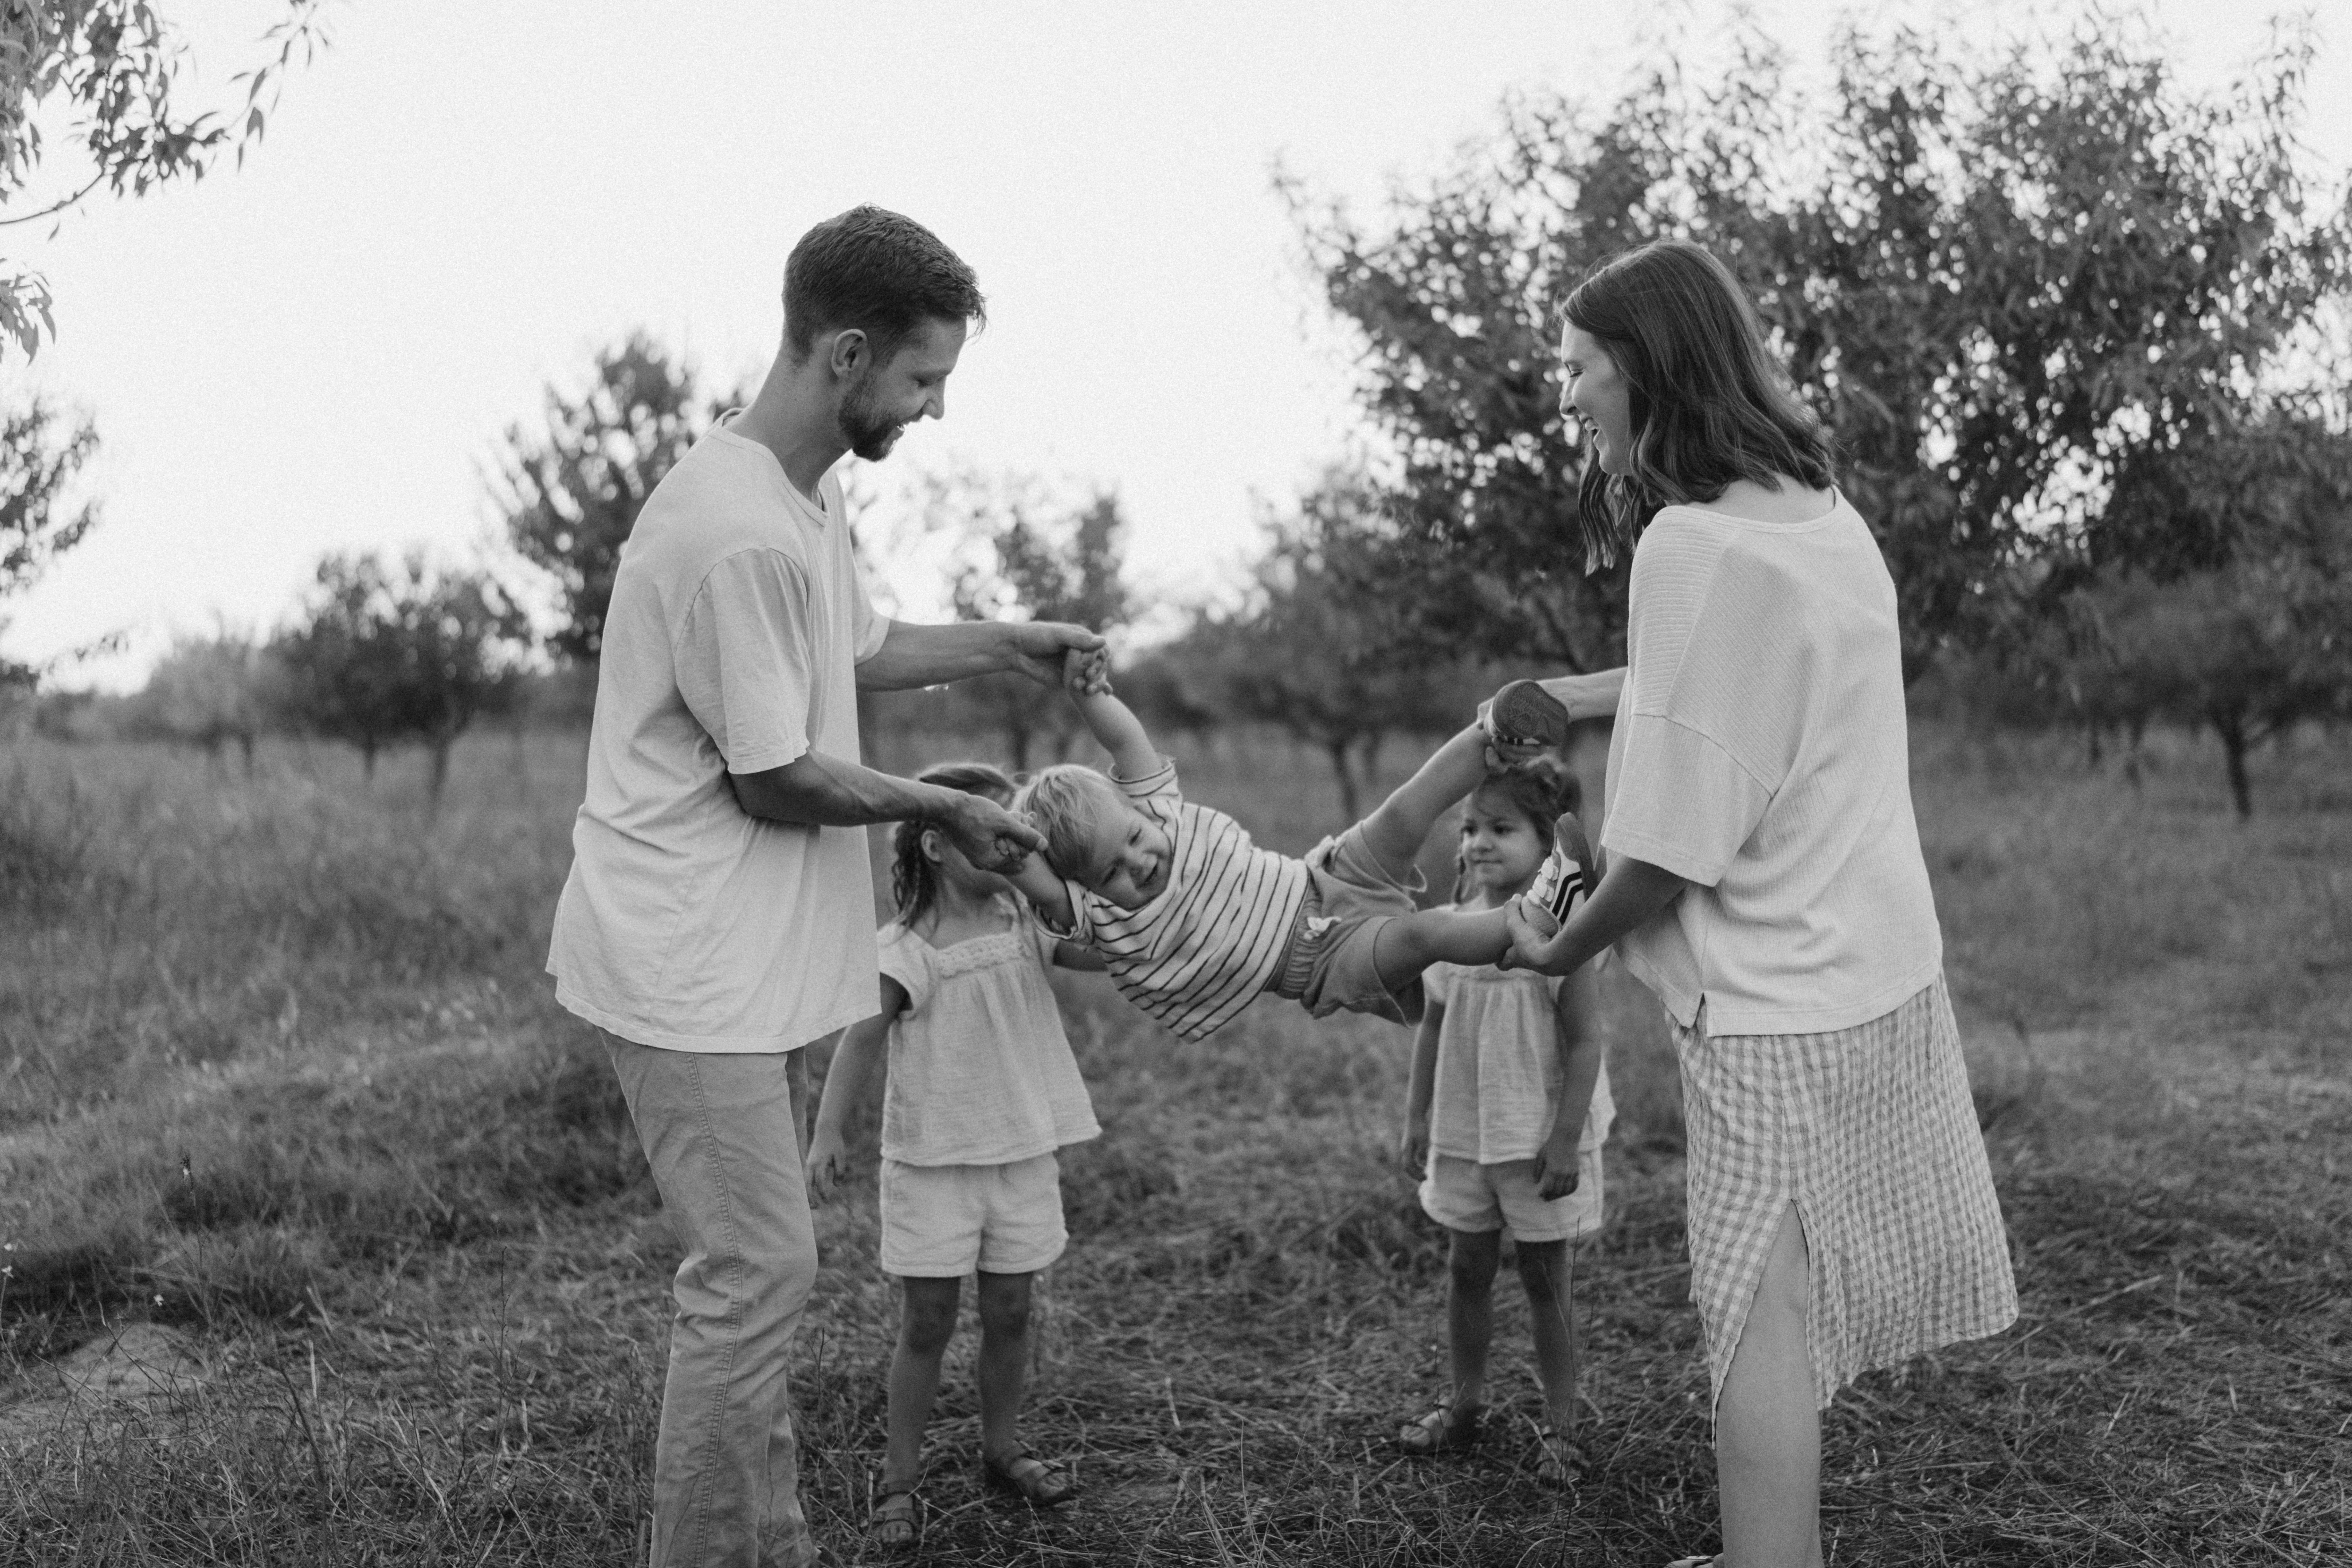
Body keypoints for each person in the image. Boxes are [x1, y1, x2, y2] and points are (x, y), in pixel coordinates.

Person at [544, 206, 1103, 1568]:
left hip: (746, 962)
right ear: (846, 354)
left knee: (763, 1274)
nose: (936, 406)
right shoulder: (730, 526)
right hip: (683, 967)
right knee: (753, 1276)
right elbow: (775, 775)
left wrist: (1009, 649)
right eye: (922, 378)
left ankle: (775, 1542)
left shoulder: (802, 494)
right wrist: (951, 806)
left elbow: (850, 644)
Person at [1501, 238, 2017, 1568]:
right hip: (1877, 964)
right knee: (1789, 1295)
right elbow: (1738, 686)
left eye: (1578, 370)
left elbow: (1672, 847)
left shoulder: (1687, 544)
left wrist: (1566, 939)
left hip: (1775, 996)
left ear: (1647, 369)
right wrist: (1581, 692)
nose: (1566, 400)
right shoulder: (1811, 509)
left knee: (1757, 1319)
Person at [803, 763, 1106, 1553]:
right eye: (995, 831)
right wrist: (829, 1130)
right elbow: (861, 1036)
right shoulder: (907, 949)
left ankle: (1001, 1446)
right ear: (938, 843)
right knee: (929, 1321)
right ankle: (900, 1478)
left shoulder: (1025, 918)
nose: (1012, 846)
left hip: (1022, 1153)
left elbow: (1100, 949)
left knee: (1012, 1309)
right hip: (934, 1165)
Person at [999, 658, 1595, 1042]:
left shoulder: (1159, 811)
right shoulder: (1102, 923)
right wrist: (989, 834)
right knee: (1427, 934)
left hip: (1324, 875)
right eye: (1114, 872)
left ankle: (1494, 736)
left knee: (1402, 811)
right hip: (1322, 960)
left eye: (1133, 839)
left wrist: (1088, 695)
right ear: (1086, 890)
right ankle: (1539, 914)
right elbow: (1036, 877)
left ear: (1135, 807)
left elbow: (1126, 739)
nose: (1141, 861)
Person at [1395, 759, 1613, 1485]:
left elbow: (1585, 1040)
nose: (1480, 842)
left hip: (1538, 1139)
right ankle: (1464, 1405)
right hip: (1465, 1133)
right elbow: (1431, 1025)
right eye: (1470, 828)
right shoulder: (1450, 931)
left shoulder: (1563, 937)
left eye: (1501, 828)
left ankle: (1563, 1426)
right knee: (1468, 1267)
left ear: (1548, 843)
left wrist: (1564, 1138)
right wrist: (1417, 1116)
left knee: (1547, 1280)